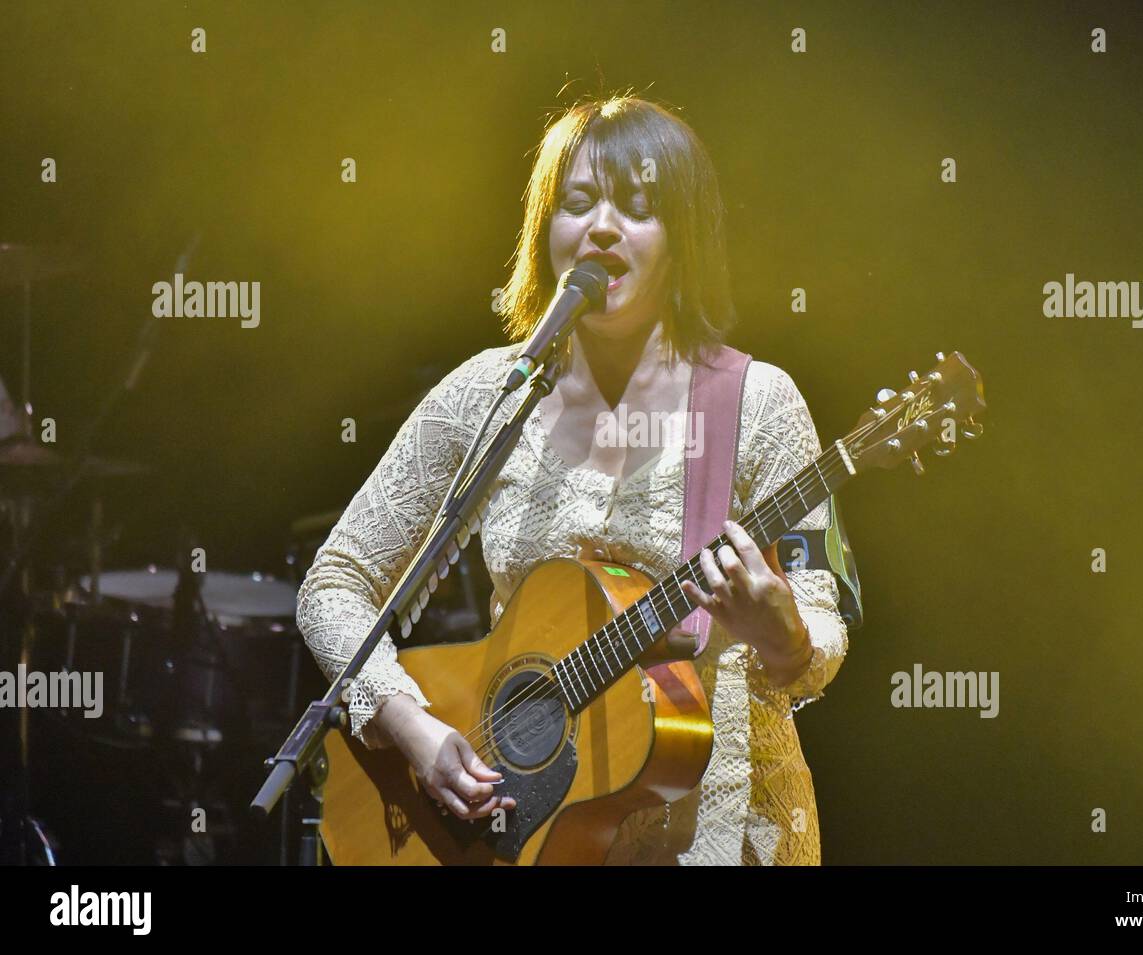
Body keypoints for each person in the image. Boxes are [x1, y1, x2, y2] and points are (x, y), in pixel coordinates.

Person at [296, 94, 849, 865]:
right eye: (578, 203)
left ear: (682, 238)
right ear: (544, 229)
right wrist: (409, 723)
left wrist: (783, 631)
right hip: (529, 835)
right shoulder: (489, 394)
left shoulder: (758, 405)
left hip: (721, 834)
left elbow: (827, 628)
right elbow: (336, 580)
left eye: (639, 207)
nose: (601, 227)